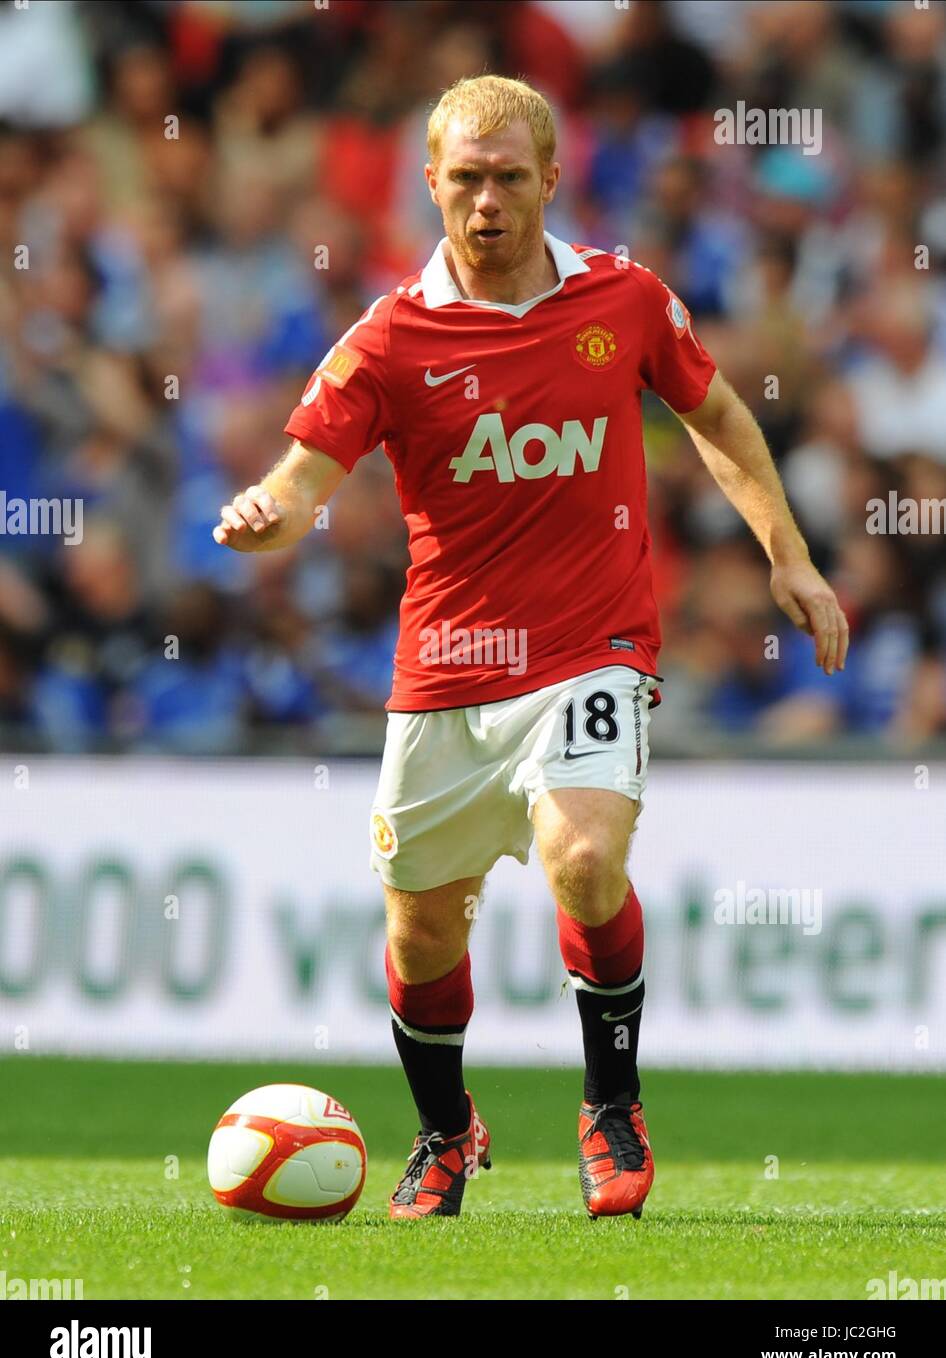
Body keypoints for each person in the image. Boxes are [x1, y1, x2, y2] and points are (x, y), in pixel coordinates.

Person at [214, 75, 848, 1221]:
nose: (488, 200)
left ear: (552, 181)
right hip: (446, 668)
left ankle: (610, 1106)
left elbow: (715, 415)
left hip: (589, 645)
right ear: (431, 186)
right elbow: (303, 478)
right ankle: (448, 1133)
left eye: (510, 177)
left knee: (585, 858)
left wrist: (788, 556)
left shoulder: (624, 299)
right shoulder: (390, 338)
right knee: (417, 927)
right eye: (466, 178)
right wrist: (268, 512)